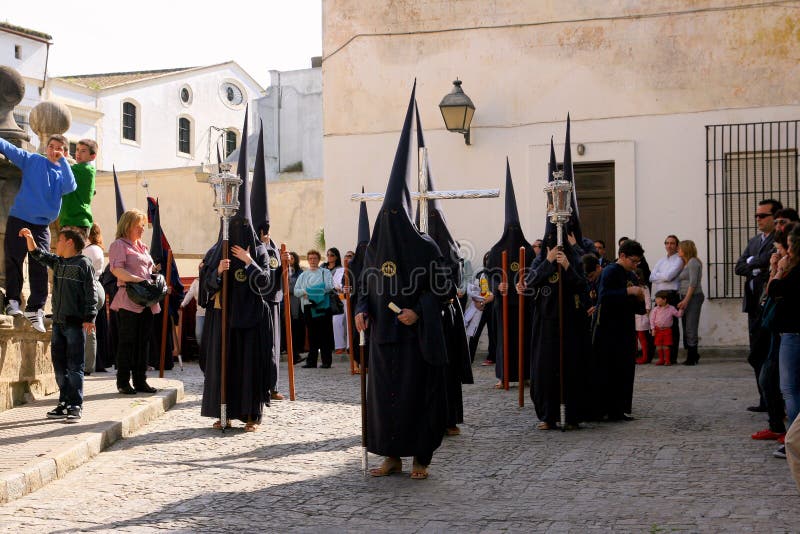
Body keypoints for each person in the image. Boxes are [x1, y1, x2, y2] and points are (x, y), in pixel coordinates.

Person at [355, 86, 448, 480]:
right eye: (386, 213)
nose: (390, 219)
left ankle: (420, 458)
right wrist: (361, 309)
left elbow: (441, 288)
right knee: (384, 401)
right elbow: (364, 285)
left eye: (397, 213)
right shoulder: (374, 249)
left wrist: (419, 311)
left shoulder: (425, 247)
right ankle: (391, 455)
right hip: (381, 337)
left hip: (413, 337)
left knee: (413, 399)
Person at [199, 216, 274, 432]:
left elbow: (265, 282)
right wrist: (218, 271)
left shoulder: (260, 252)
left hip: (251, 320)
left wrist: (249, 261)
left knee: (248, 368)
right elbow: (205, 284)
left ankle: (251, 416)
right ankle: (224, 415)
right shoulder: (216, 251)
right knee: (224, 366)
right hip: (223, 320)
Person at [1, 134, 77, 332]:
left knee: (41, 266)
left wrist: (63, 161)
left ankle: (36, 310)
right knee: (14, 260)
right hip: (19, 218)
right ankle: (13, 302)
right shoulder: (34, 160)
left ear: (65, 152)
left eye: (58, 148)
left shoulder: (63, 173)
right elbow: (10, 149)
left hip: (42, 226)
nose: (53, 150)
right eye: (51, 146)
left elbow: (71, 187)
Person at [21, 226, 96, 423]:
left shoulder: (83, 264)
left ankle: (75, 405)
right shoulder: (59, 262)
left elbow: (91, 292)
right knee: (60, 366)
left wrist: (90, 317)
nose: (56, 245)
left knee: (74, 366)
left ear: (70, 242)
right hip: (58, 323)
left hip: (75, 324)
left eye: (60, 241)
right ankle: (64, 403)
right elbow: (38, 254)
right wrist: (30, 237)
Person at [521, 238, 589, 430]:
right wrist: (548, 261)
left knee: (571, 367)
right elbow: (530, 282)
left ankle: (572, 414)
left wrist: (567, 266)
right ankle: (547, 415)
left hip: (570, 323)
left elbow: (582, 285)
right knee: (545, 368)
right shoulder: (540, 259)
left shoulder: (575, 259)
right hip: (545, 322)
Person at [736, 198, 783, 412]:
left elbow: (766, 264)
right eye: (757, 215)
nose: (758, 219)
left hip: (769, 306)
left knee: (768, 354)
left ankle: (775, 400)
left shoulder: (779, 240)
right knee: (756, 354)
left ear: (775, 218)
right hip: (753, 305)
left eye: (763, 215)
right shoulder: (754, 240)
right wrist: (755, 264)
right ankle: (764, 399)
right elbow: (739, 266)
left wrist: (753, 263)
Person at [751, 223, 795, 444]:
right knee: (770, 378)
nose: (776, 254)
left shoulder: (790, 270)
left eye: (779, 249)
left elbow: (774, 291)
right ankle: (778, 426)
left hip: (787, 331)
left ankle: (788, 432)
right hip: (775, 329)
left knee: (783, 385)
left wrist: (777, 270)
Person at [593, 239, 646, 421]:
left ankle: (619, 408)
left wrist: (640, 299)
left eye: (638, 262)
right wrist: (628, 292)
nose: (635, 265)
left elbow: (636, 302)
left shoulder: (630, 274)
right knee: (610, 368)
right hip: (609, 328)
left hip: (625, 326)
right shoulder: (610, 271)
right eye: (633, 261)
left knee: (624, 368)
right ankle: (605, 408)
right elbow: (604, 297)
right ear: (622, 256)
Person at [108, 209, 159, 395]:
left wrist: (155, 278)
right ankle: (123, 382)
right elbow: (117, 271)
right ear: (128, 225)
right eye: (140, 225)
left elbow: (150, 268)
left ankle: (140, 381)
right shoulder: (119, 245)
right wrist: (138, 280)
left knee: (143, 342)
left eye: (144, 225)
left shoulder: (143, 247)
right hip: (128, 298)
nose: (142, 229)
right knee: (127, 342)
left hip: (146, 299)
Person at [767, 224, 800, 459]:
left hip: (793, 334)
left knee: (789, 389)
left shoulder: (795, 272)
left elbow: (774, 291)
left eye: (788, 245)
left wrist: (778, 271)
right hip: (791, 333)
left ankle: (794, 442)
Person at [294, 250, 335, 368]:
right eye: (310, 258)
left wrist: (311, 293)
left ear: (319, 259)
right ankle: (311, 361)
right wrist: (306, 292)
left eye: (315, 258)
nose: (312, 260)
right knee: (312, 335)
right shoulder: (303, 275)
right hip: (308, 307)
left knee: (325, 334)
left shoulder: (325, 272)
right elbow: (296, 291)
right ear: (308, 260)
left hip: (323, 306)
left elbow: (329, 286)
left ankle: (326, 361)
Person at [649, 235, 683, 363]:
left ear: (677, 245)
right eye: (667, 243)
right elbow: (651, 277)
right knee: (658, 325)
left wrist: (660, 276)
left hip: (671, 295)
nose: (669, 246)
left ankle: (672, 357)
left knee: (672, 326)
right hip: (659, 295)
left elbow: (669, 277)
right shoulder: (661, 260)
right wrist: (662, 276)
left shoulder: (679, 260)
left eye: (672, 243)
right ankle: (661, 357)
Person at [58, 139, 97, 239]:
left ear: (93, 156)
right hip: (70, 220)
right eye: (77, 150)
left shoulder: (85, 169)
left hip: (77, 222)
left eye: (83, 151)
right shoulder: (79, 168)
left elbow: (61, 168)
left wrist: (58, 156)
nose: (78, 153)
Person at [82, 223, 105, 375]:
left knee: (88, 329)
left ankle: (87, 366)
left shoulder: (89, 250)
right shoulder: (97, 249)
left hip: (91, 289)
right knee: (90, 329)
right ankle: (88, 365)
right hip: (97, 288)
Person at [677, 239, 705, 365]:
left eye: (680, 248)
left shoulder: (693, 262)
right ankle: (693, 354)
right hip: (685, 297)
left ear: (686, 249)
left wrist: (686, 300)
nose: (678, 250)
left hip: (693, 297)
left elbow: (693, 284)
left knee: (690, 327)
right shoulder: (686, 263)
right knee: (686, 326)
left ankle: (692, 357)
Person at [180, 261, 206, 360]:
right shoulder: (196, 282)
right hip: (200, 313)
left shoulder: (212, 280)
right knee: (199, 335)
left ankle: (208, 356)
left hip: (212, 314)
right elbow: (189, 294)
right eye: (200, 269)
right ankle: (203, 354)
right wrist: (182, 304)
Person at [324, 247, 348, 355]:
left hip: (338, 298)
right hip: (324, 298)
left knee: (339, 322)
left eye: (332, 255)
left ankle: (344, 346)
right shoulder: (322, 268)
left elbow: (340, 285)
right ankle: (333, 346)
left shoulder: (341, 269)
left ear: (336, 257)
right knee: (329, 324)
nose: (329, 257)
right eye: (328, 255)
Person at [650, 290, 683, 366]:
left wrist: (681, 309)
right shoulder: (655, 309)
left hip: (667, 331)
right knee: (658, 345)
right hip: (658, 330)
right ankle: (661, 360)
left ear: (664, 299)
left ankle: (667, 360)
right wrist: (653, 329)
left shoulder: (671, 308)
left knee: (666, 345)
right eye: (656, 298)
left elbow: (678, 315)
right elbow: (652, 319)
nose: (656, 300)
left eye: (658, 298)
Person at [286, 251, 307, 363]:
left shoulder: (300, 272)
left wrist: (289, 288)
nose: (290, 260)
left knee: (297, 326)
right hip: (285, 304)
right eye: (289, 258)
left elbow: (298, 287)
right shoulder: (283, 270)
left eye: (292, 258)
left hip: (297, 303)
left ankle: (297, 351)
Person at [634, 270, 652, 365]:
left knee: (642, 337)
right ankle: (635, 356)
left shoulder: (644, 288)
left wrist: (647, 316)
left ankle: (645, 357)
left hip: (642, 315)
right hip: (633, 315)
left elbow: (648, 303)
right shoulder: (630, 287)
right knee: (634, 337)